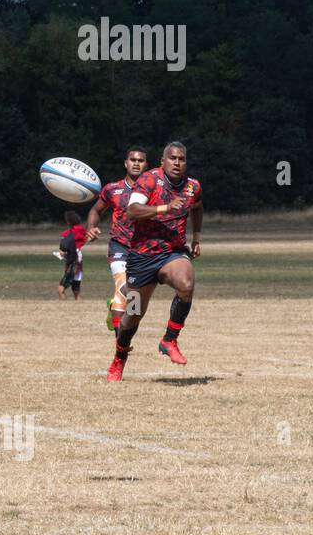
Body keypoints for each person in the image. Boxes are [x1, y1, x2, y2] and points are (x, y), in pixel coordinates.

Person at [106, 142, 203, 382]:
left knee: (186, 283)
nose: (177, 163)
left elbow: (198, 208)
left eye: (181, 159)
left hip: (172, 253)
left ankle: (169, 340)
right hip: (141, 257)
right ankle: (119, 357)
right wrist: (165, 208)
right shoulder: (149, 180)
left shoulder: (192, 187)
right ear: (163, 161)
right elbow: (132, 210)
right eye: (172, 158)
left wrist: (197, 237)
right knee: (133, 315)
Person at [87, 147, 148, 330]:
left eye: (141, 160)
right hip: (119, 246)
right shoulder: (113, 189)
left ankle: (115, 310)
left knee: (135, 303)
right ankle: (119, 345)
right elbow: (96, 210)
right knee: (123, 288)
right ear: (126, 163)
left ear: (146, 165)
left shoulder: (153, 191)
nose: (136, 163)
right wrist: (91, 227)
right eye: (133, 160)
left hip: (143, 250)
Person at [57, 211, 85, 300]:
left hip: (73, 257)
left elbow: (64, 245)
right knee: (76, 290)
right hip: (79, 257)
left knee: (61, 289)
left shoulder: (68, 233)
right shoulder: (81, 230)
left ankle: (64, 310)